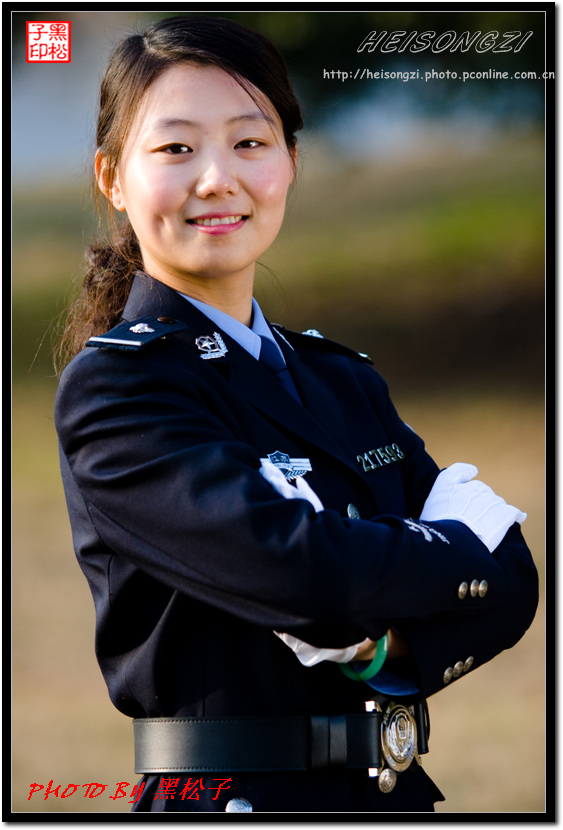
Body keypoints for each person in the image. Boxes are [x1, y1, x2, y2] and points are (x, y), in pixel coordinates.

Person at [54, 15, 538, 814]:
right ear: (112, 177)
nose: (217, 178)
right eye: (175, 149)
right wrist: (451, 549)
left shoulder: (338, 377)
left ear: (290, 163)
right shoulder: (119, 390)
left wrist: (379, 644)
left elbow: (514, 579)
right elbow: (306, 573)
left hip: (390, 796)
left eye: (250, 142)